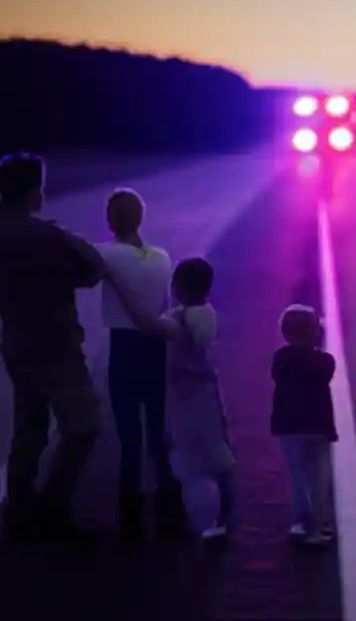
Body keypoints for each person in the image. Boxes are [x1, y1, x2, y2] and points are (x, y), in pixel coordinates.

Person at [0, 153, 104, 544]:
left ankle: (18, 512)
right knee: (83, 426)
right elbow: (93, 267)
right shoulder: (48, 236)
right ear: (34, 193)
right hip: (56, 343)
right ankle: (52, 508)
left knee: (30, 430)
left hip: (16, 341)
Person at [108, 256, 234, 542]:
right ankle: (224, 516)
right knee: (216, 453)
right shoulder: (206, 313)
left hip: (186, 399)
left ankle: (206, 522)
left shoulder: (181, 319)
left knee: (190, 462)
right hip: (206, 394)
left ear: (177, 286)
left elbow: (149, 325)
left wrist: (121, 288)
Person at [96, 188, 184, 541]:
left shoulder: (107, 255)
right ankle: (169, 508)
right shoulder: (161, 257)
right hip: (155, 350)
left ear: (109, 219)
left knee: (129, 436)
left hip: (124, 348)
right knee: (160, 434)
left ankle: (131, 515)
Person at [271, 303, 336, 548]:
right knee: (319, 473)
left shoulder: (281, 358)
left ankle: (301, 519)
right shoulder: (325, 361)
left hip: (289, 425)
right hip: (318, 424)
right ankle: (322, 523)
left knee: (297, 474)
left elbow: (276, 377)